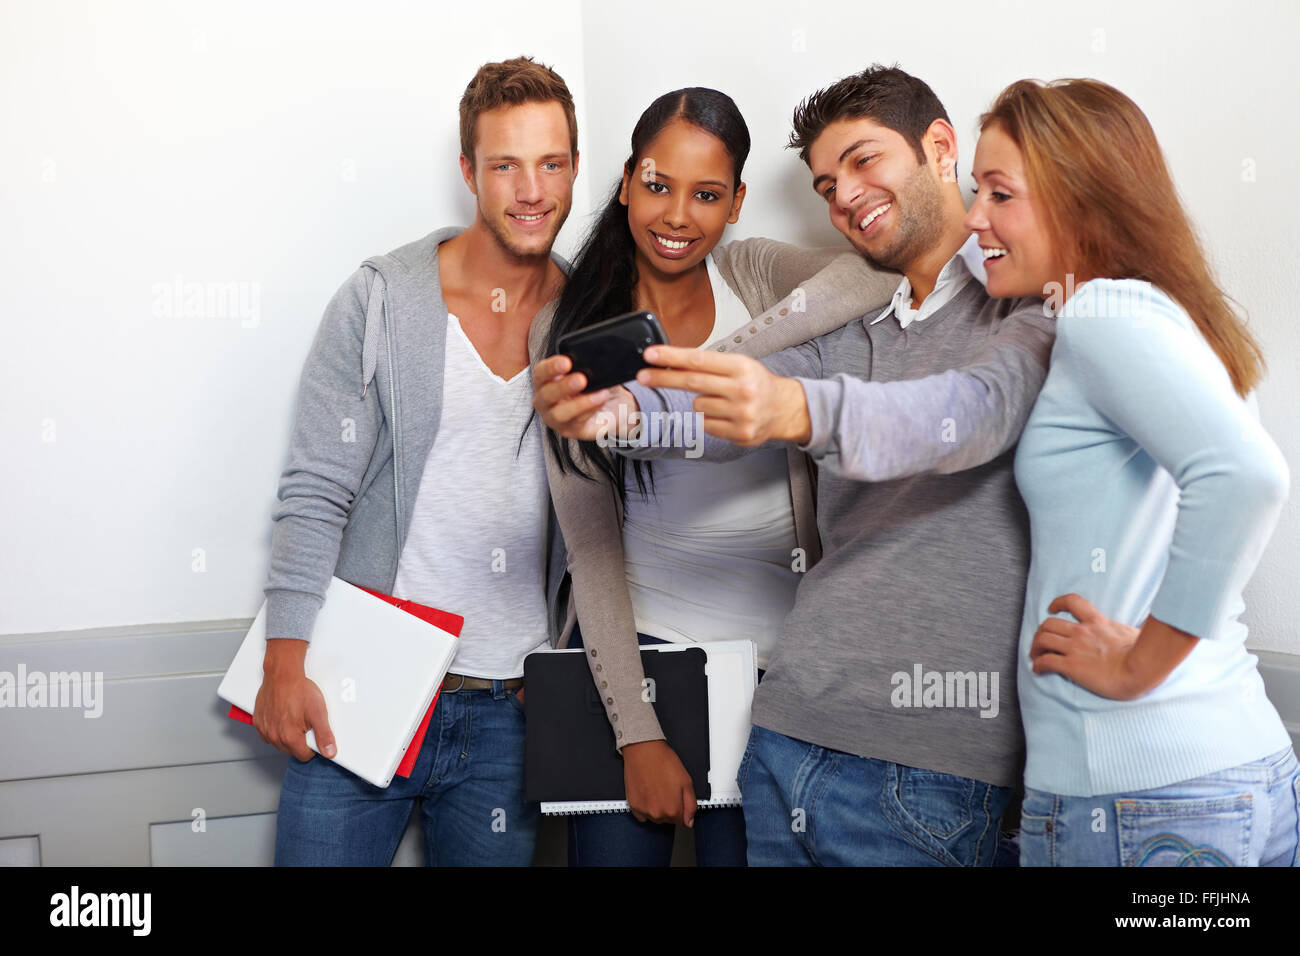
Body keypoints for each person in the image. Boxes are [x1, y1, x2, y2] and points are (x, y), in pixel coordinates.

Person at [540, 65, 1055, 866]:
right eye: (824, 182)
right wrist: (622, 416)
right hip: (787, 738)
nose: (844, 195)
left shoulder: (1033, 313)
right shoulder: (848, 332)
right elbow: (724, 419)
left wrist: (792, 409)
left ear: (939, 147)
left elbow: (965, 413)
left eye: (863, 161)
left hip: (924, 765)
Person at [529, 87, 898, 866]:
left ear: (735, 203)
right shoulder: (569, 327)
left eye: (705, 195)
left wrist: (712, 369)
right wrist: (638, 733)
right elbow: (590, 548)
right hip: (641, 658)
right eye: (658, 185)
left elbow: (876, 278)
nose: (675, 216)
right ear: (626, 180)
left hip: (779, 670)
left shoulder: (755, 273)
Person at [963, 77, 1298, 867]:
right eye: (973, 189)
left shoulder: (1100, 316)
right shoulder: (1162, 315)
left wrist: (1138, 662)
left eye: (999, 193)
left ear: (1080, 198)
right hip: (1210, 777)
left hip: (1140, 802)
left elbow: (1248, 477)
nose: (974, 217)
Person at [258, 56, 578, 866]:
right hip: (361, 687)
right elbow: (316, 490)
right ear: (470, 171)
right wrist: (285, 660)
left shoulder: (588, 317)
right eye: (506, 165)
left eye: (551, 163)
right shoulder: (380, 300)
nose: (531, 190)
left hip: (513, 711)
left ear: (575, 168)